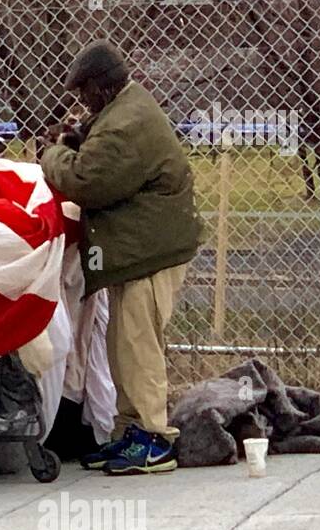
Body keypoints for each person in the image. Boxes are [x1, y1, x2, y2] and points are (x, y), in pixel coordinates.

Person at [39, 40, 203, 474]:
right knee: (123, 347)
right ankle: (130, 433)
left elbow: (85, 181)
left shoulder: (125, 124)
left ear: (100, 87)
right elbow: (101, 150)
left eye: (84, 93)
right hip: (141, 247)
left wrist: (52, 153)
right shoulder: (126, 107)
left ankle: (154, 439)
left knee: (138, 346)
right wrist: (79, 138)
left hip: (151, 250)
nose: (82, 101)